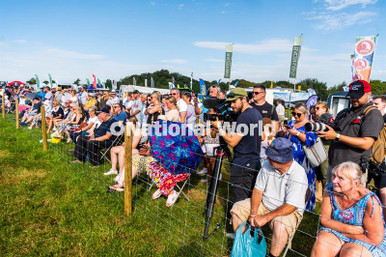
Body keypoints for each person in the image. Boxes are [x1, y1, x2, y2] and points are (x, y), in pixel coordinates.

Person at [230, 138, 308, 257]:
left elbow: (291, 206)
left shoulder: (298, 174)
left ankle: (272, 255)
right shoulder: (267, 165)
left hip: (288, 211)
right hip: (264, 203)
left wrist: (265, 218)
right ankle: (244, 248)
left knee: (280, 226)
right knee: (237, 209)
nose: (267, 158)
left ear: (282, 159)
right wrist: (253, 213)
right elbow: (257, 190)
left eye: (271, 156)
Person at [311, 161, 386, 257]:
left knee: (351, 254)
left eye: (340, 178)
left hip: (364, 240)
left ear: (356, 183)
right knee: (321, 244)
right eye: (334, 176)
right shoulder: (330, 189)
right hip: (340, 232)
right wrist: (349, 229)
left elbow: (374, 239)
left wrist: (344, 233)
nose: (334, 181)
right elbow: (324, 219)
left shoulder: (369, 201)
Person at [318, 80, 384, 185]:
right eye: (352, 95)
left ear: (369, 95)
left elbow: (366, 143)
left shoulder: (372, 114)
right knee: (330, 199)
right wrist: (326, 134)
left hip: (352, 169)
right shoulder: (345, 112)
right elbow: (334, 134)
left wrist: (337, 136)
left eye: (358, 95)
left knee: (350, 201)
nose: (354, 98)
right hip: (334, 166)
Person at [211, 88, 262, 203]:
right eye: (230, 102)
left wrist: (219, 127)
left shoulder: (244, 117)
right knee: (249, 198)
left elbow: (232, 141)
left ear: (244, 99)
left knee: (240, 201)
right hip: (254, 160)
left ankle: (239, 220)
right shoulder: (256, 113)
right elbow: (262, 136)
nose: (232, 105)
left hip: (243, 163)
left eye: (234, 102)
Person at [282, 102, 318, 211]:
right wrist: (283, 132)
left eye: (299, 114)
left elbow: (311, 141)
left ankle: (305, 206)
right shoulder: (291, 122)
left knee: (304, 181)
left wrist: (296, 133)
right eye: (294, 113)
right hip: (289, 157)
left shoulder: (310, 125)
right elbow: (285, 137)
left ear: (306, 113)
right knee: (290, 180)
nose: (296, 116)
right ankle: (289, 203)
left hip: (304, 158)